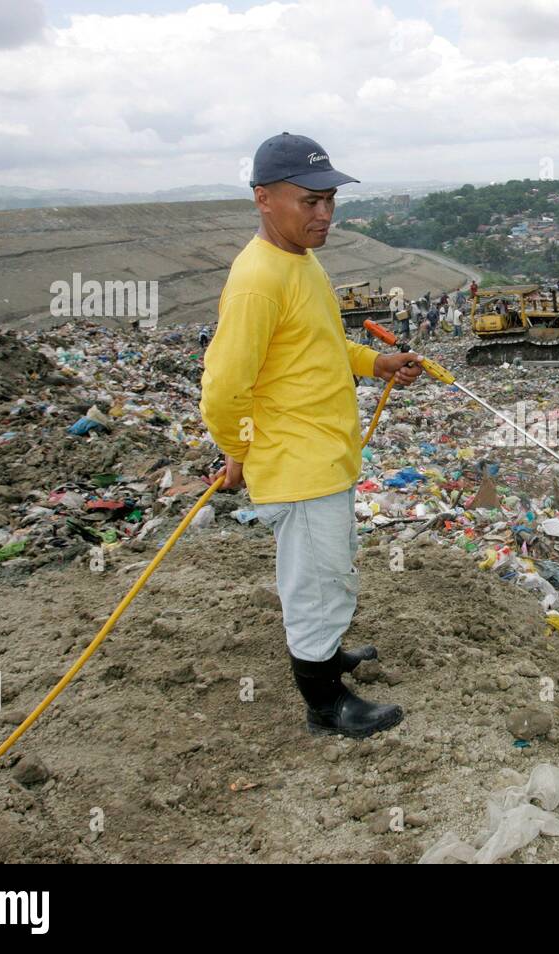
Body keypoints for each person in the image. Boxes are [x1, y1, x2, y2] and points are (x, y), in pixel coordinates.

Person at [201, 133, 422, 739]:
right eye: (309, 202)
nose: (323, 214)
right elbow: (224, 389)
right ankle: (324, 703)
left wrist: (375, 364)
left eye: (329, 200)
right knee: (317, 581)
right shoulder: (258, 280)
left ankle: (324, 655)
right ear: (263, 199)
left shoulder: (301, 260)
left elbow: (321, 345)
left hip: (326, 455)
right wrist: (238, 453)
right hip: (297, 464)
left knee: (330, 568)